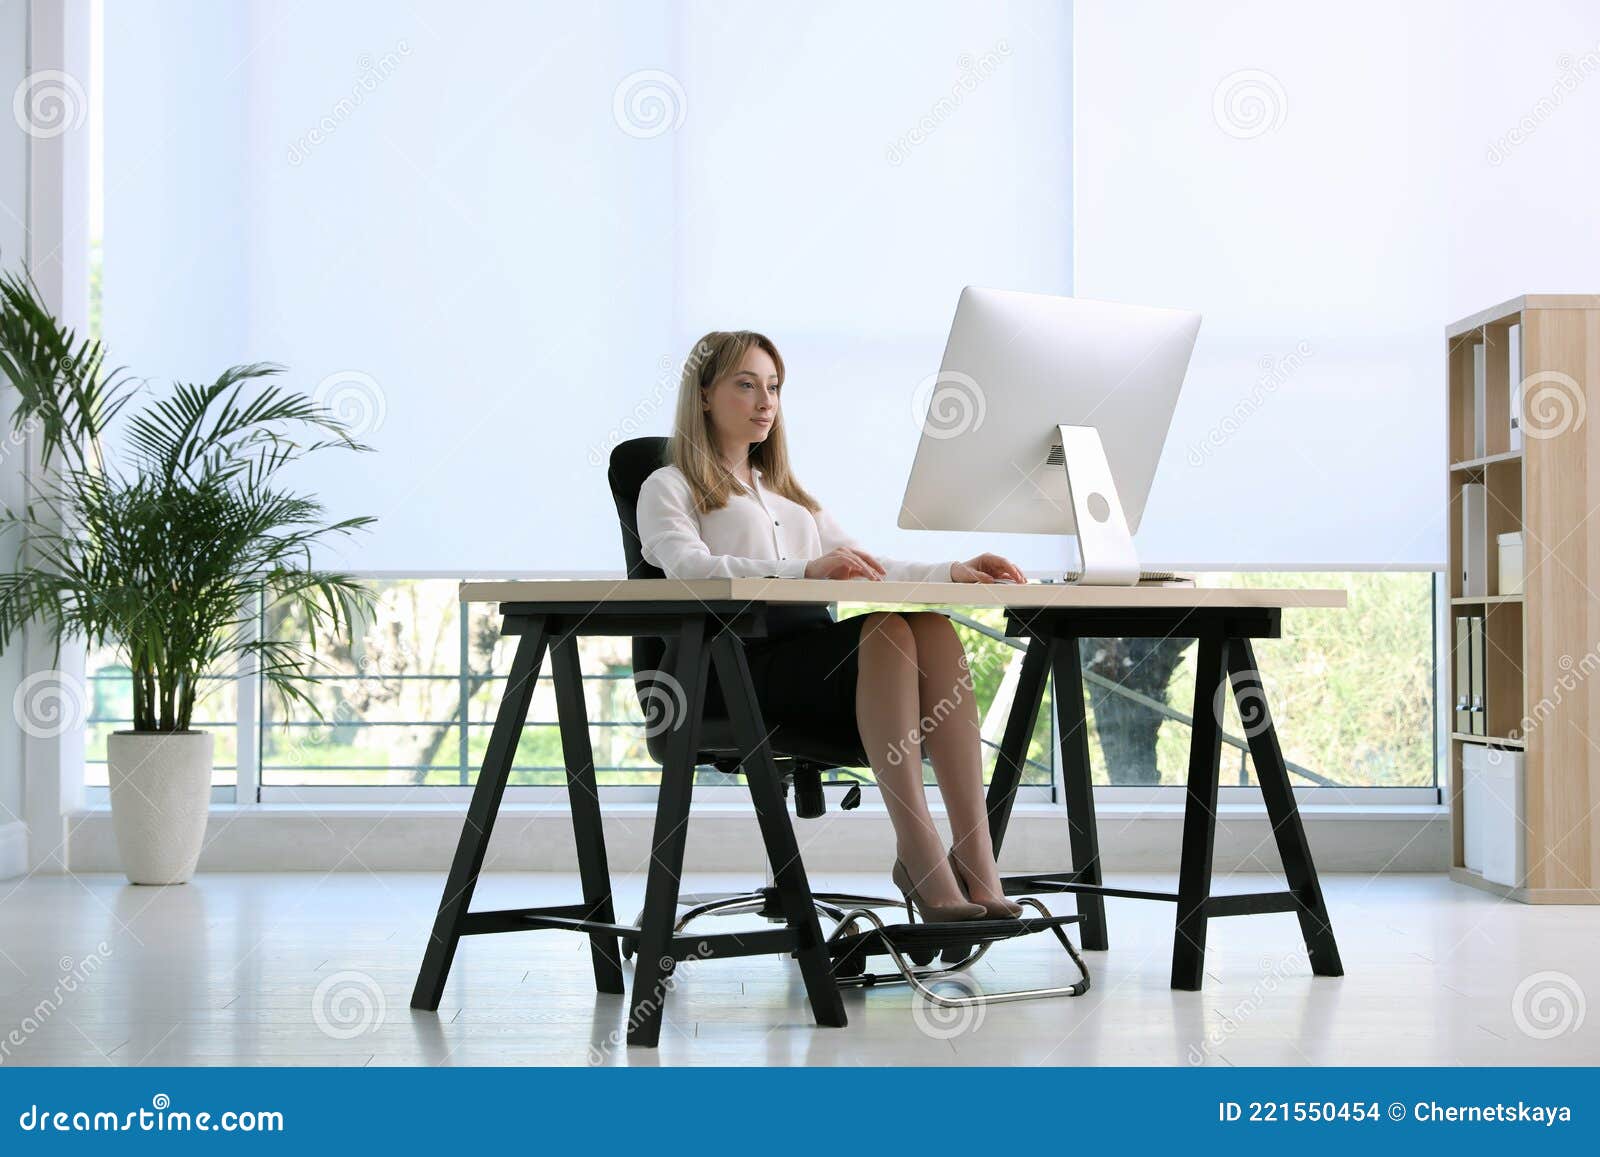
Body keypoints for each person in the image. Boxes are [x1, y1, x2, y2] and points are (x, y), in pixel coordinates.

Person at [636, 330, 1028, 922]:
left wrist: (956, 569)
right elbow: (690, 569)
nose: (765, 401)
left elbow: (872, 565)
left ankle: (976, 860)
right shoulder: (668, 486)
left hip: (811, 670)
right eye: (746, 385)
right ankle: (920, 855)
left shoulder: (791, 500)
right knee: (888, 631)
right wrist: (804, 568)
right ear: (706, 395)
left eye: (773, 387)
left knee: (934, 629)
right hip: (728, 668)